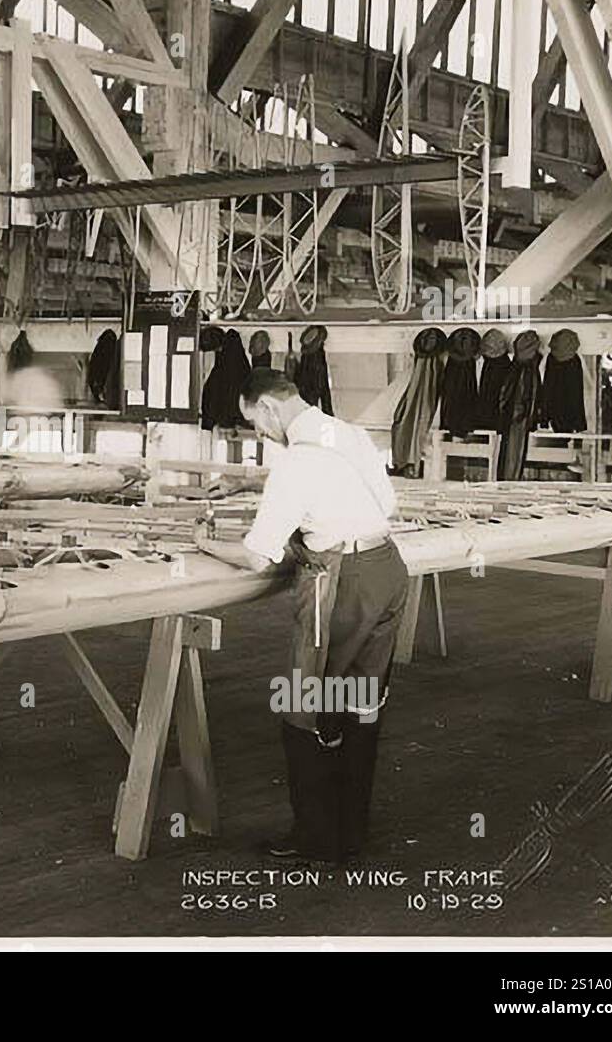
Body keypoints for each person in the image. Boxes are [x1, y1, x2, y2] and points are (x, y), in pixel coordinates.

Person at [195, 368, 408, 864]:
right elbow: (385, 503)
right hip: (387, 569)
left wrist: (203, 542)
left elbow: (257, 557)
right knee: (361, 703)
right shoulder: (348, 433)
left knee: (305, 707)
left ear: (269, 407)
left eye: (256, 424)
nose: (260, 434)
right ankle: (350, 835)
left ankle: (314, 838)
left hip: (343, 582)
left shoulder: (296, 462)